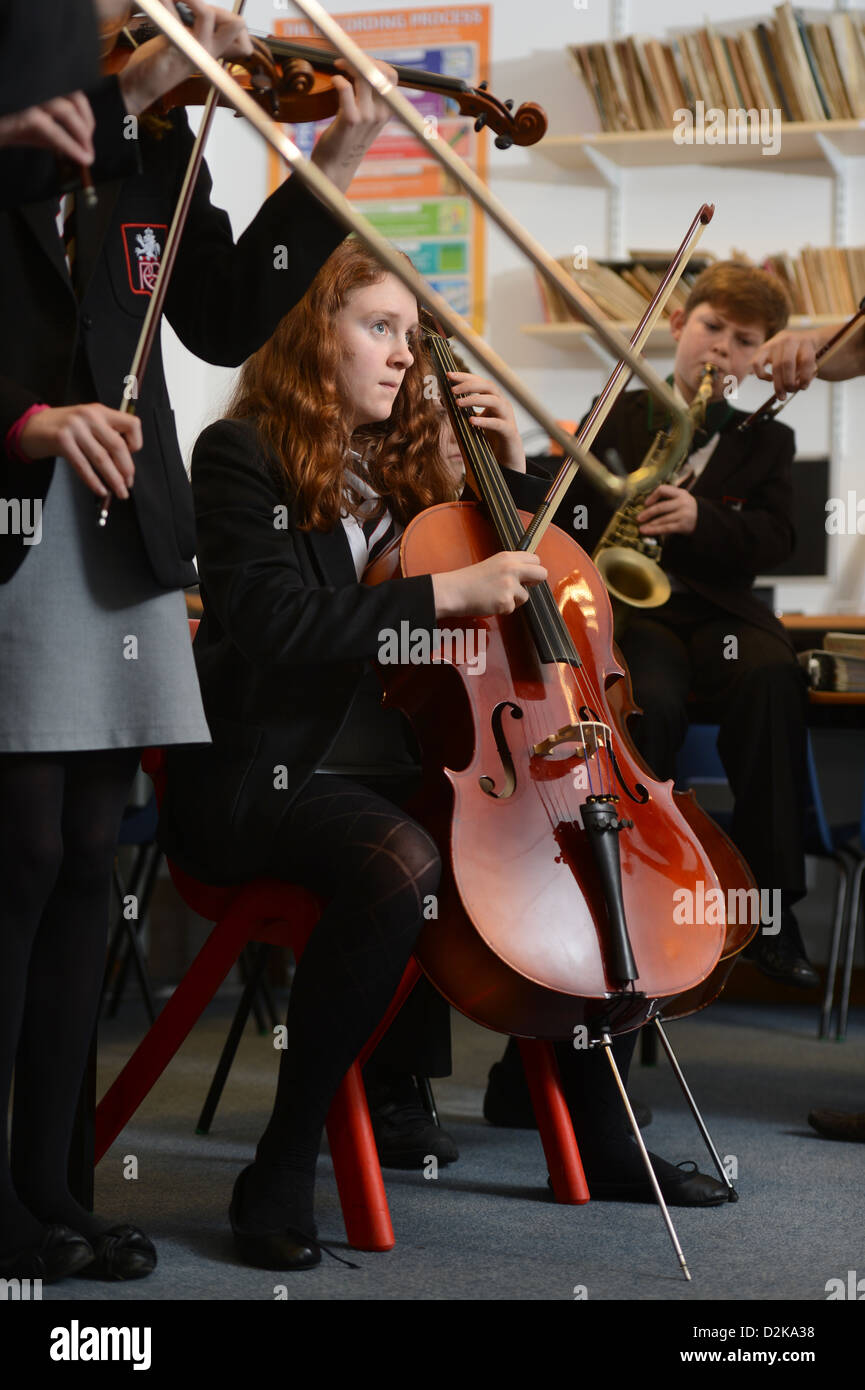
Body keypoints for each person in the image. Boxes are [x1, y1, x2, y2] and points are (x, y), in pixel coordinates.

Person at [159, 239, 731, 1273]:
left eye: (410, 338)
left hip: (399, 777)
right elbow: (270, 618)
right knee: (404, 860)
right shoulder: (237, 455)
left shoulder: (417, 470)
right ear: (311, 333)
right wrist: (438, 597)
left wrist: (508, 470)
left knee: (567, 840)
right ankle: (282, 1163)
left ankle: (606, 1131)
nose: (401, 356)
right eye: (377, 327)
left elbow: (554, 563)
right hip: (266, 780)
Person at [0, 1, 396, 1284]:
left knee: (82, 869)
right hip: (20, 502)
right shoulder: (49, 101)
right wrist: (26, 422)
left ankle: (50, 1191)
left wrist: (326, 168)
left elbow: (224, 318)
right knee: (18, 859)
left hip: (124, 519)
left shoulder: (157, 142)